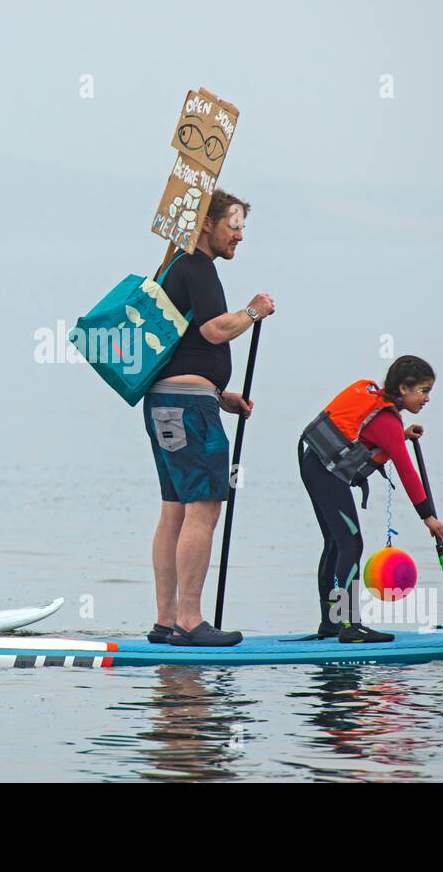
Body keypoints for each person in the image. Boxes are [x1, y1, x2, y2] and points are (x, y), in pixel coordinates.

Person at [143, 191, 275, 647]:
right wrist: (254, 310)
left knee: (175, 508)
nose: (239, 235)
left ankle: (166, 622)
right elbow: (214, 330)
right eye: (232, 225)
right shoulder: (197, 267)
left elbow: (184, 347)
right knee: (204, 507)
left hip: (168, 402)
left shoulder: (174, 267)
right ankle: (190, 621)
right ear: (206, 225)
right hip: (187, 407)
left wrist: (219, 395)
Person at [298, 355, 443, 643]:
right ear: (404, 388)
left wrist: (401, 436)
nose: (427, 398)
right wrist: (427, 516)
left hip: (313, 464)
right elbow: (406, 471)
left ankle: (332, 622)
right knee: (350, 543)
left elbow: (369, 438)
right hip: (325, 474)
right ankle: (350, 625)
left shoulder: (384, 415)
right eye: (424, 390)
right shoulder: (386, 419)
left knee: (336, 542)